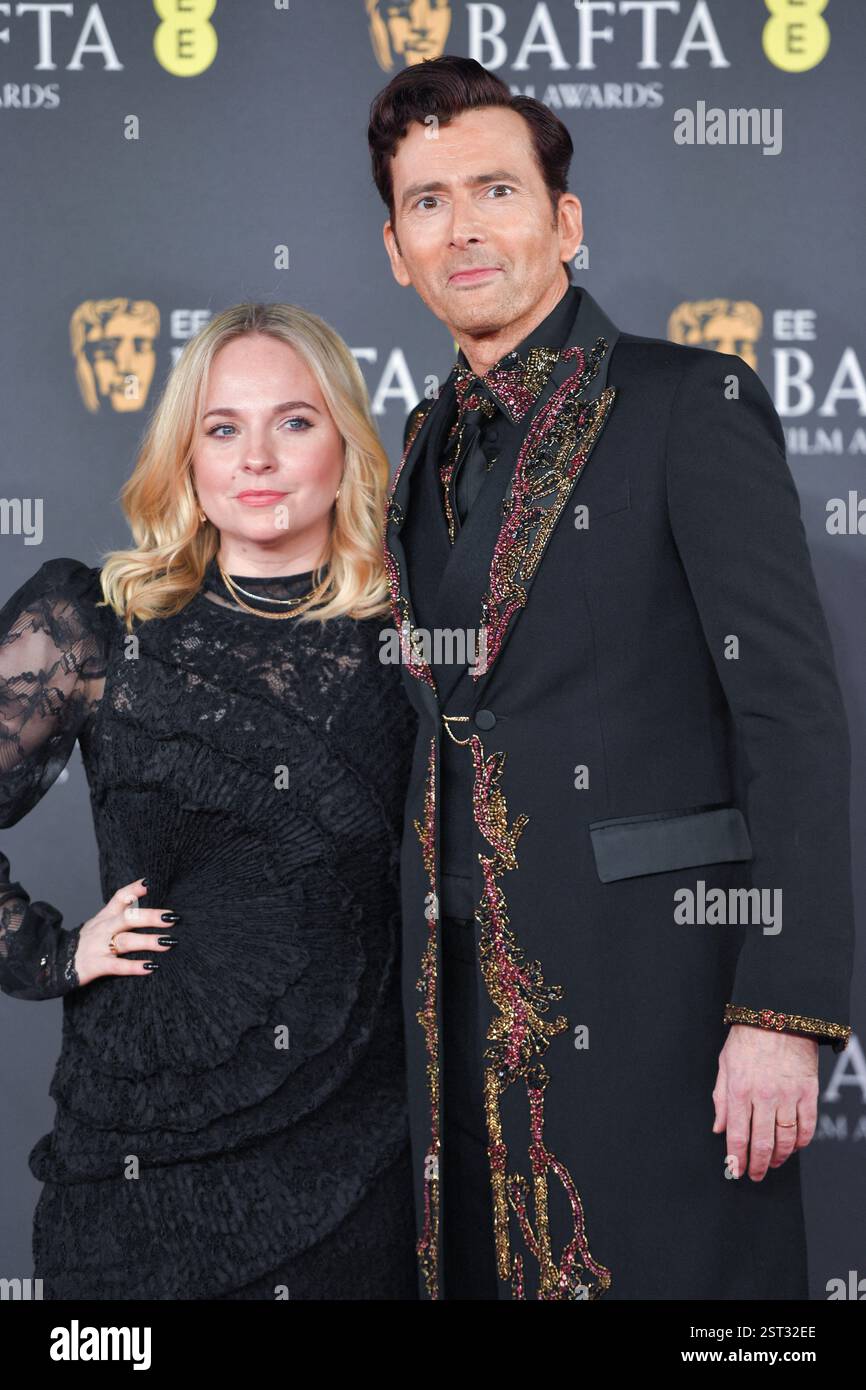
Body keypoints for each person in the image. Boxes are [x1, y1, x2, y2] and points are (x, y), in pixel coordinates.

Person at [367, 55, 855, 1300]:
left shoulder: (689, 401)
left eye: (494, 190)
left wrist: (781, 1009)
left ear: (564, 219)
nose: (461, 228)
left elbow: (789, 713)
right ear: (394, 251)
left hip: (661, 1000)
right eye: (427, 202)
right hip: (455, 1023)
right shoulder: (418, 443)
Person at [0, 302, 420, 1300]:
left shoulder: (415, 639)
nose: (257, 458)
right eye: (223, 428)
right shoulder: (94, 625)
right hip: (137, 1163)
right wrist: (52, 953)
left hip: (360, 1159)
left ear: (345, 444)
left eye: (294, 422)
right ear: (184, 456)